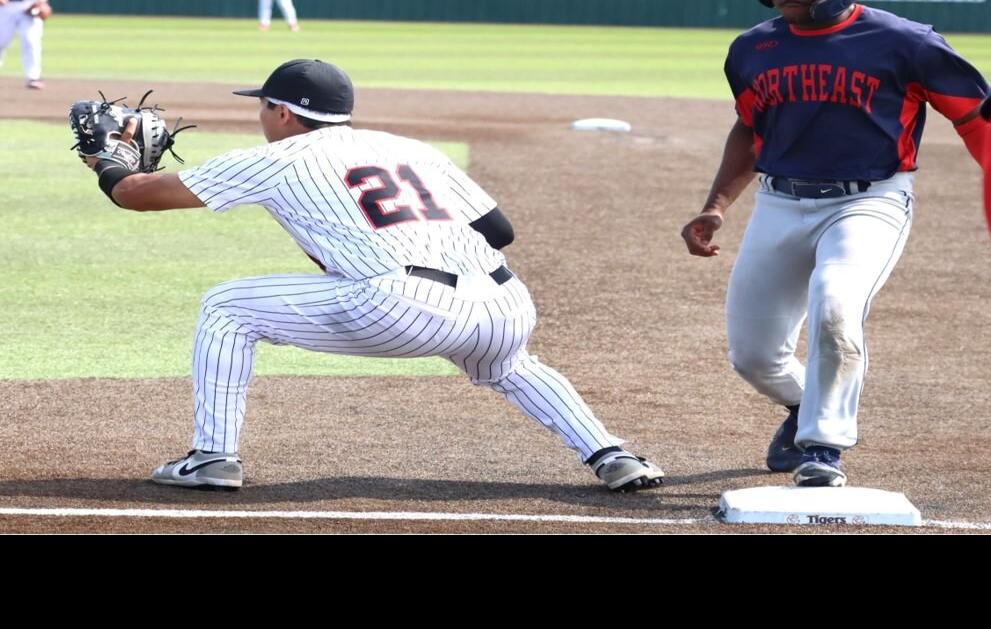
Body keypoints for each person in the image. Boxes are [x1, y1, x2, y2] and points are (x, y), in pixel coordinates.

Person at [80, 59, 665, 492]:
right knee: (511, 367)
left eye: (262, 105)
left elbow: (134, 195)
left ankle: (211, 458)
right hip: (505, 303)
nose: (260, 114)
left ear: (283, 112)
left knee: (226, 307)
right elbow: (500, 229)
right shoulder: (410, 148)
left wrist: (107, 157)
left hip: (401, 305)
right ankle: (612, 455)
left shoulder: (273, 158)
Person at [680, 0, 988, 487]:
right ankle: (804, 406)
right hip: (779, 201)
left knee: (836, 301)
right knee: (754, 356)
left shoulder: (909, 42)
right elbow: (751, 127)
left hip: (870, 200)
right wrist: (716, 205)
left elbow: (976, 119)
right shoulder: (751, 48)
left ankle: (823, 448)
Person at [0, 0, 47, 89]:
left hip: (29, 4)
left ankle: (33, 77)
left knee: (31, 41)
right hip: (6, 7)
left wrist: (41, 2)